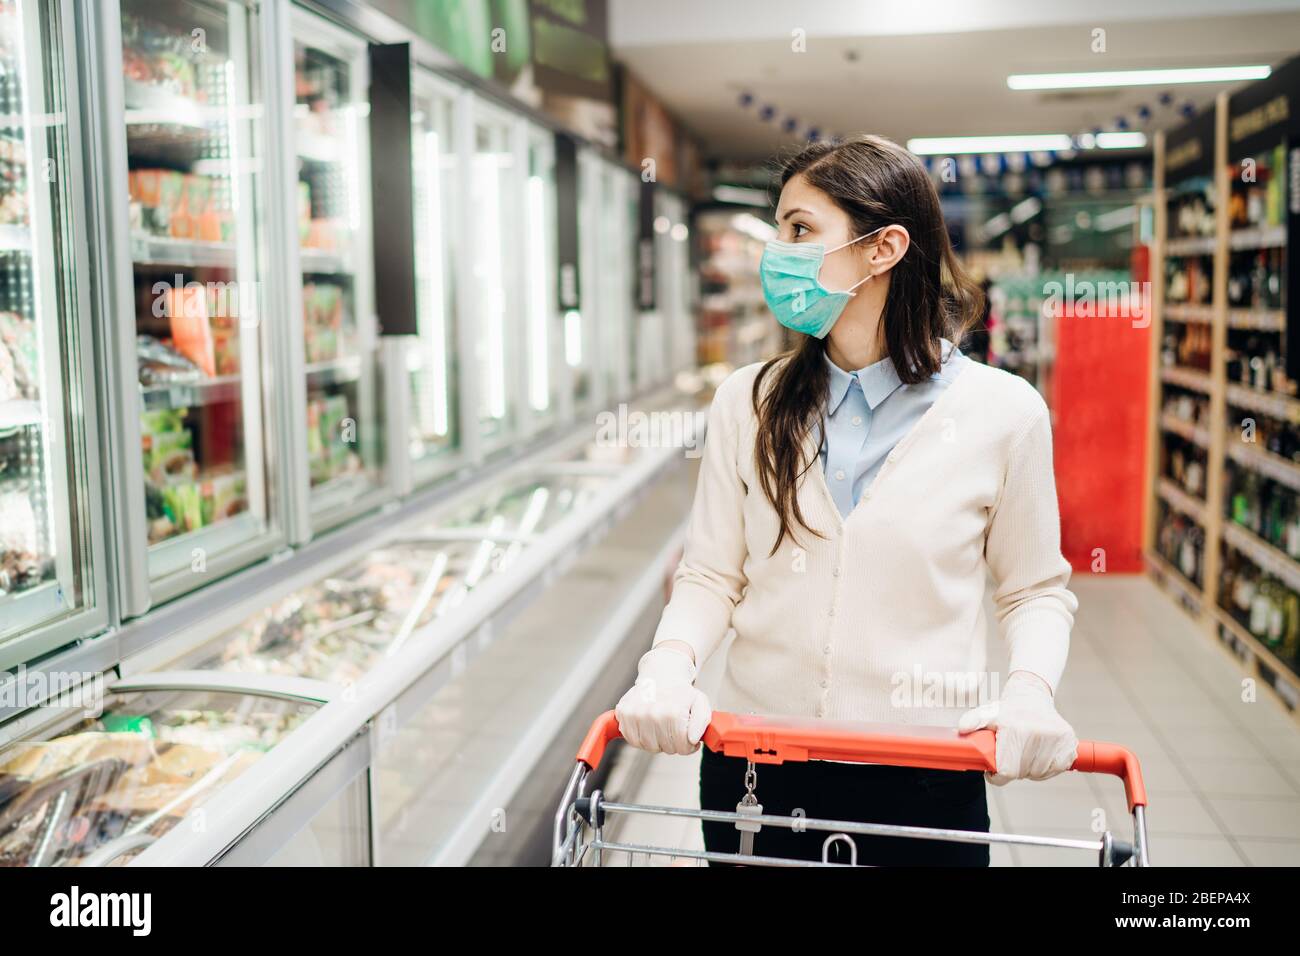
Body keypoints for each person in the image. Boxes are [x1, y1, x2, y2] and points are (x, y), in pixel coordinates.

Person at [613, 134, 1079, 866]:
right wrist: (667, 665)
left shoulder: (1004, 413)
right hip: (755, 771)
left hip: (926, 778)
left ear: (883, 248)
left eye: (800, 229)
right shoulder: (750, 402)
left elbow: (1034, 591)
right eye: (780, 229)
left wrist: (1029, 692)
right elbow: (711, 575)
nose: (777, 251)